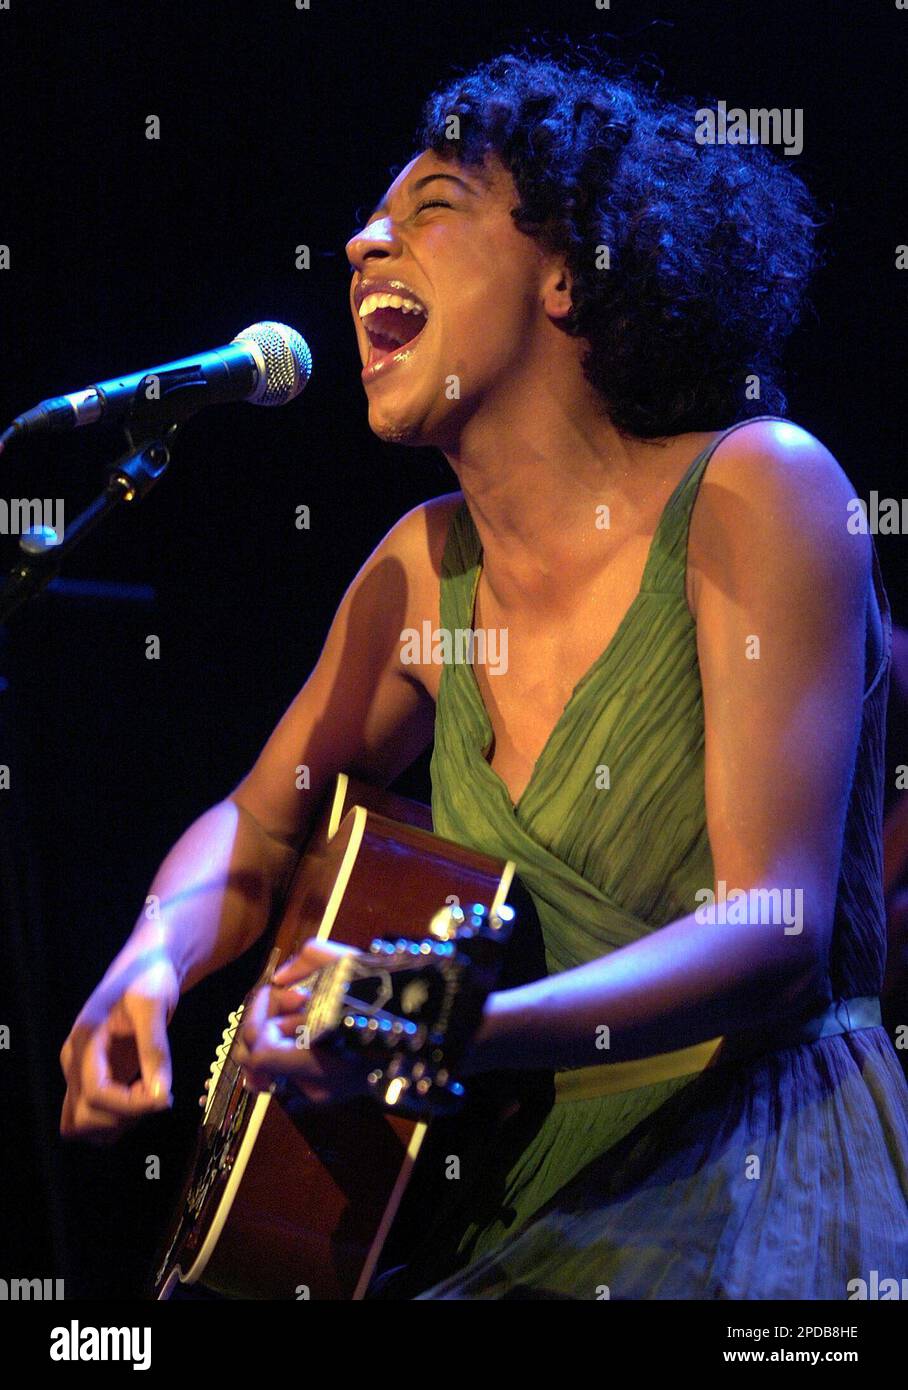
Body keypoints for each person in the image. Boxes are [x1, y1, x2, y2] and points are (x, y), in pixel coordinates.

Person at [60, 48, 908, 1299]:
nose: (360, 245)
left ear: (569, 273)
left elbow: (771, 932)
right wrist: (152, 957)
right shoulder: (416, 569)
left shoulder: (760, 485)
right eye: (366, 221)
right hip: (502, 1196)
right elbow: (257, 818)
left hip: (754, 1181)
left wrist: (454, 1027)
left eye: (431, 208)